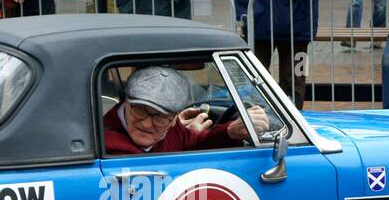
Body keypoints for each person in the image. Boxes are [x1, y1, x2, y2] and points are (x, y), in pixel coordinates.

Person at [104, 65, 269, 155]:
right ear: (126, 102)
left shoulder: (173, 128)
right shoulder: (112, 147)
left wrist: (230, 131)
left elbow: (194, 142)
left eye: (160, 116)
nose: (147, 124)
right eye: (140, 110)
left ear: (174, 118)